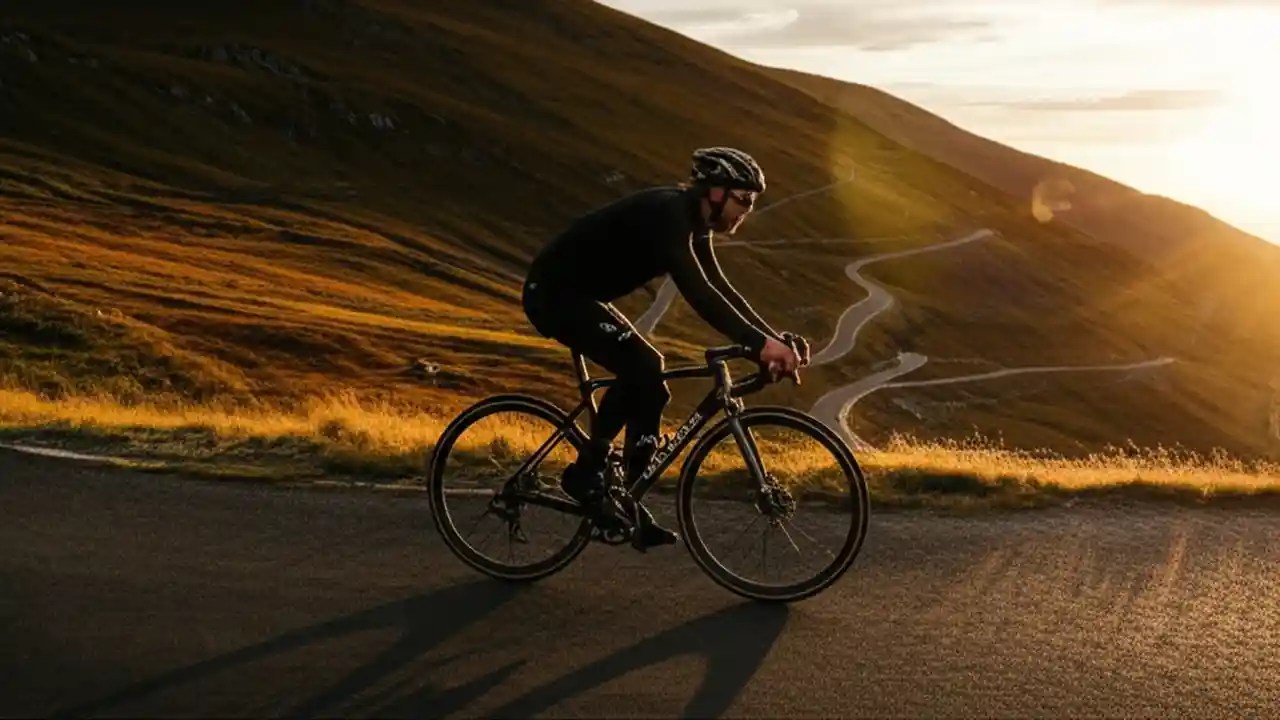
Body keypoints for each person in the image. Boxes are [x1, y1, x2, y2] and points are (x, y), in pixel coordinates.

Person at [521, 146, 806, 549]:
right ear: (715, 192)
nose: (747, 210)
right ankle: (586, 473)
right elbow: (698, 292)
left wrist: (771, 338)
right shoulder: (668, 215)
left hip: (581, 295)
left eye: (753, 202)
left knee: (652, 385)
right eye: (743, 199)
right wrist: (759, 345)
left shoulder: (694, 222)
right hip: (553, 295)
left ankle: (629, 504)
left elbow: (721, 288)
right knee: (641, 365)